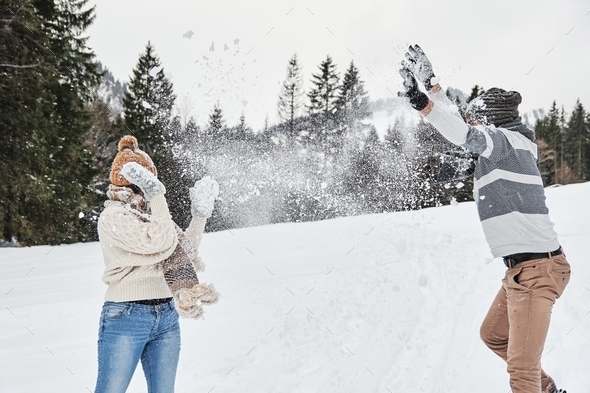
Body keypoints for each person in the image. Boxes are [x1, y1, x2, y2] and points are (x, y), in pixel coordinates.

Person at [397, 45, 571, 393]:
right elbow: (462, 128)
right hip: (523, 270)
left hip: (538, 271)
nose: (471, 123)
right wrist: (433, 87)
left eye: (477, 119)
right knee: (493, 336)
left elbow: (461, 131)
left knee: (521, 372)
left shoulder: (505, 142)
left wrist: (425, 102)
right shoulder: (505, 147)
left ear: (493, 121)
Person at [94, 135, 220, 393]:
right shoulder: (113, 217)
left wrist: (200, 215)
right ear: (136, 183)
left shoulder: (153, 215)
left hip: (166, 316)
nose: (154, 187)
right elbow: (159, 242)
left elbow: (185, 249)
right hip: (126, 316)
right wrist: (157, 196)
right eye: (149, 183)